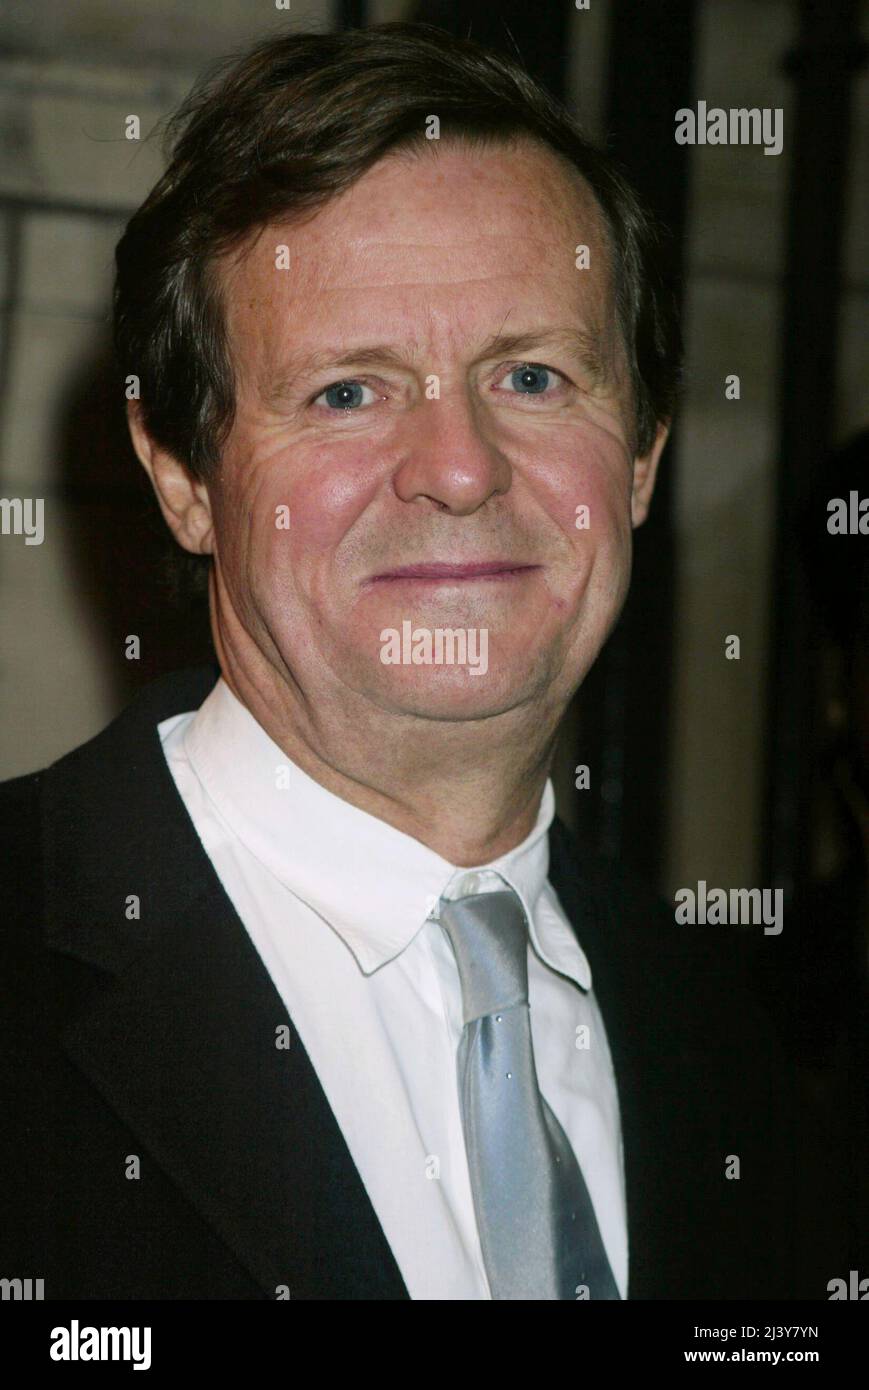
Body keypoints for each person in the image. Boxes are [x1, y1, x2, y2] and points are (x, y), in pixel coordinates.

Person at [0, 22, 832, 1300]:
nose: (458, 467)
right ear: (181, 475)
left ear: (645, 457)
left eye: (535, 376)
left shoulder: (769, 1047)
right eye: (347, 391)